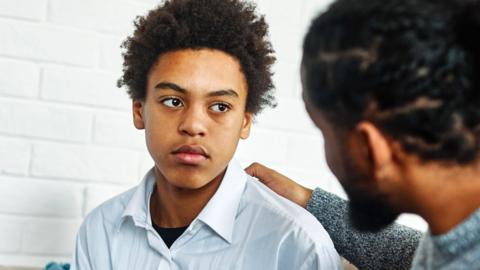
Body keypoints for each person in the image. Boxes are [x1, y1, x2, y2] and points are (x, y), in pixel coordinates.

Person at [71, 0, 342, 269]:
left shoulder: (298, 244)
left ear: (245, 123)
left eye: (220, 106)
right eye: (173, 101)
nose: (193, 125)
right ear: (139, 111)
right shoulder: (100, 231)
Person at [246, 0, 480, 269]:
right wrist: (307, 201)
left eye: (326, 133)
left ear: (370, 147)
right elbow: (417, 254)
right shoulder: (456, 226)